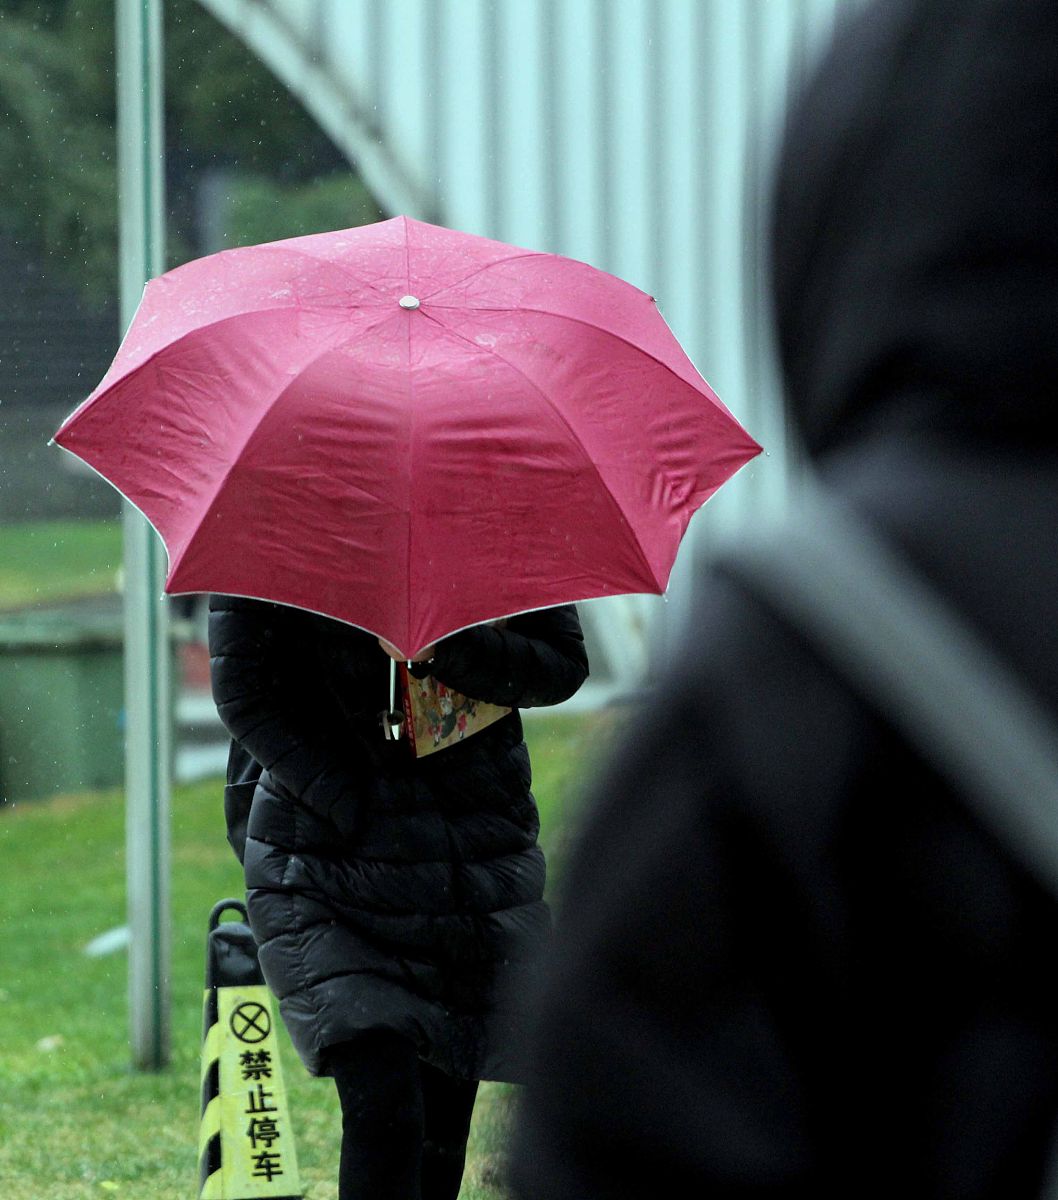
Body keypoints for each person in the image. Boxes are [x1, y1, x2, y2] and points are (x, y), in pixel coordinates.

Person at [509, 1, 1058, 1197]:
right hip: (350, 887)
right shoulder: (277, 589)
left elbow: (548, 665)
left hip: (468, 872)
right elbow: (274, 731)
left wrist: (466, 673)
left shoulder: (814, 656)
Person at [208, 596, 588, 1200]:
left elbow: (559, 665)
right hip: (327, 862)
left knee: (443, 1127)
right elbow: (245, 692)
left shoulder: (500, 517)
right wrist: (346, 800)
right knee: (384, 1106)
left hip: (469, 858)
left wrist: (444, 647)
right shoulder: (282, 518)